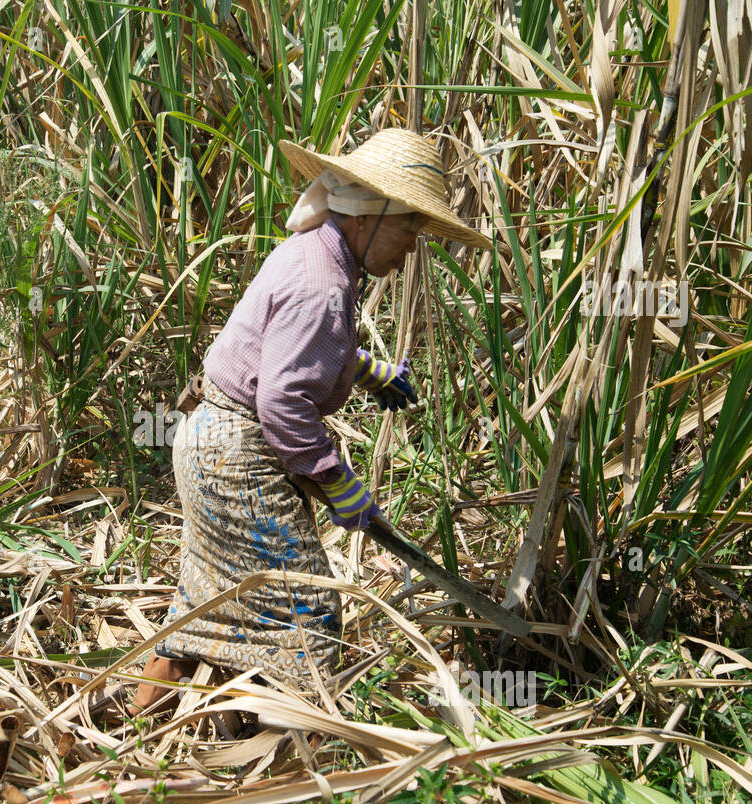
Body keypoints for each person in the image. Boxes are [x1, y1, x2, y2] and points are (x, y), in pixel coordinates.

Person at [130, 128, 491, 714]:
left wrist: (369, 370)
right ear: (365, 217)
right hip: (236, 457)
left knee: (207, 597)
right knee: (307, 612)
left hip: (207, 442)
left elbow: (292, 346)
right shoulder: (323, 284)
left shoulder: (314, 252)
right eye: (408, 229)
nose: (411, 249)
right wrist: (337, 480)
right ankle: (291, 768)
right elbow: (282, 404)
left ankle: (137, 741)